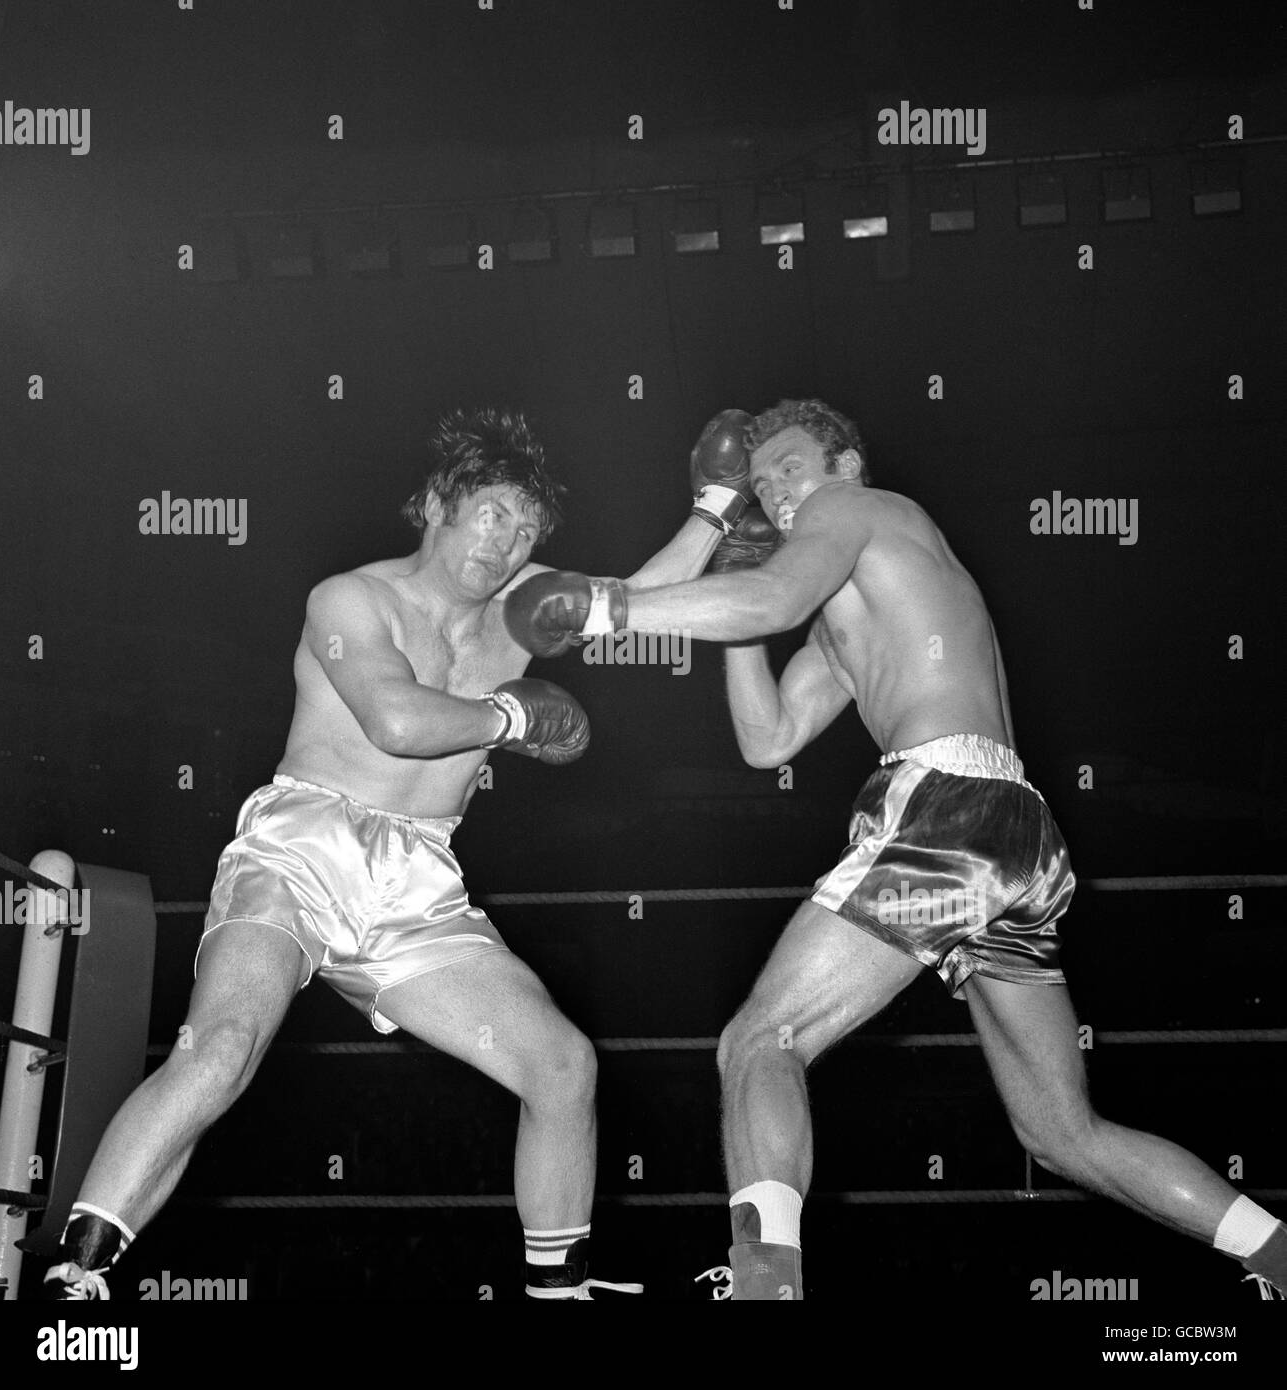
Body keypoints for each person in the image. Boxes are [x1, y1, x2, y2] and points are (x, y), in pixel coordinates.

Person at [504, 397, 1287, 1302]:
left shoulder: (859, 510)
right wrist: (742, 581)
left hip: (946, 809)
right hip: (1012, 837)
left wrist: (609, 607)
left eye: (790, 468)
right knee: (1061, 1135)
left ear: (845, 465)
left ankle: (765, 1289)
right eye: (760, 484)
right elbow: (769, 739)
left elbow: (773, 595)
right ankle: (1274, 1252)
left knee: (763, 1037)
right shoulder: (853, 606)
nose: (777, 493)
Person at [40, 406, 736, 1301]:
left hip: (418, 880)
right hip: (302, 848)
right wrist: (515, 717)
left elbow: (645, 600)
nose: (510, 540)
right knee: (221, 1047)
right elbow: (396, 722)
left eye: (527, 526)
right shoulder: (350, 599)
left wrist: (715, 508)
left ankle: (557, 1295)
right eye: (495, 513)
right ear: (441, 502)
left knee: (561, 1065)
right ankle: (74, 1280)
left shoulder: (524, 606)